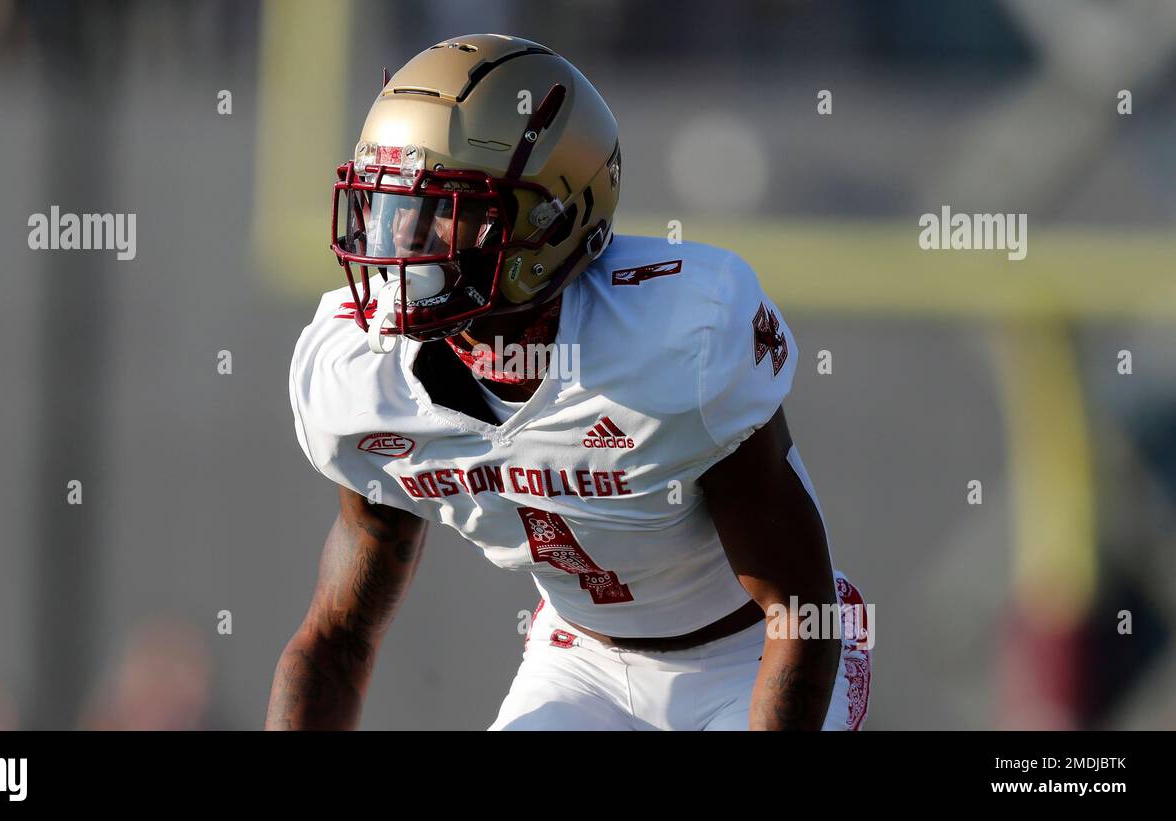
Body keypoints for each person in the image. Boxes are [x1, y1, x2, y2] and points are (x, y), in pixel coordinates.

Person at [268, 33, 870, 730]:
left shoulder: (675, 346)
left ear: (548, 219)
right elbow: (335, 640)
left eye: (443, 208)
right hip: (579, 656)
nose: (403, 242)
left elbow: (800, 613)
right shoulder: (365, 379)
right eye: (391, 204)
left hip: (750, 652)